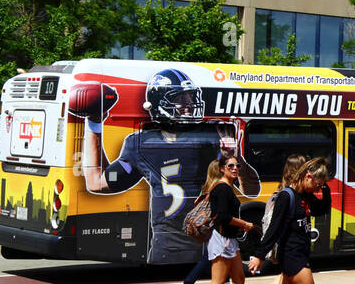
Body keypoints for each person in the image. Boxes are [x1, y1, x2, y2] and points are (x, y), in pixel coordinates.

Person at [72, 67, 259, 264]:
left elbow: (251, 190)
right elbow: (97, 183)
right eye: (180, 98)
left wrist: (237, 159)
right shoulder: (141, 144)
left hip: (206, 239)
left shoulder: (209, 136)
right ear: (158, 103)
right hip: (170, 244)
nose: (189, 104)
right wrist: (94, 123)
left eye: (190, 97)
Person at [246, 160, 349, 284]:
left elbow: (321, 209)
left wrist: (324, 190)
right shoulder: (287, 196)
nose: (317, 188)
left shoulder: (305, 195)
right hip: (292, 254)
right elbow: (274, 229)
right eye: (317, 184)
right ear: (308, 176)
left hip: (299, 253)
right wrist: (259, 255)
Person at [168, 158, 258, 284]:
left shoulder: (225, 187)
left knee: (238, 280)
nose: (235, 169)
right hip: (222, 239)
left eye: (237, 166)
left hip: (229, 239)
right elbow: (223, 217)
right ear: (222, 169)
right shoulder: (222, 188)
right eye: (230, 166)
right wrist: (245, 224)